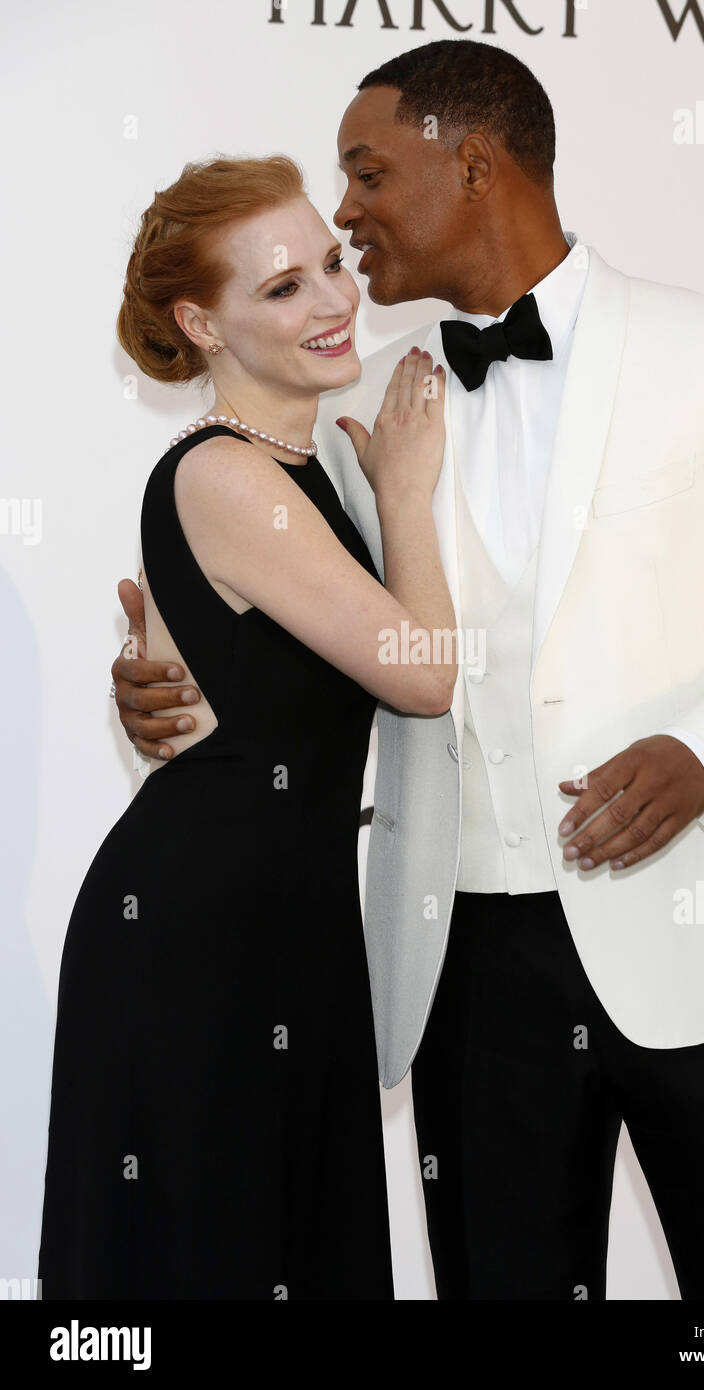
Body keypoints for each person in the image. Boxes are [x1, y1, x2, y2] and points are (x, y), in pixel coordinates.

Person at [113, 42, 704, 1300]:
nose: (346, 217)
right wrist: (171, 686)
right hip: (464, 970)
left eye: (366, 173)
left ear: (474, 163)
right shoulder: (361, 421)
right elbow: (292, 630)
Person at [38, 153, 456, 1299]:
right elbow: (422, 675)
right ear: (200, 323)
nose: (332, 301)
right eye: (281, 288)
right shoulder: (230, 475)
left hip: (288, 918)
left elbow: (227, 681)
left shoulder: (308, 466)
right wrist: (411, 502)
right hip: (203, 935)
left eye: (330, 263)